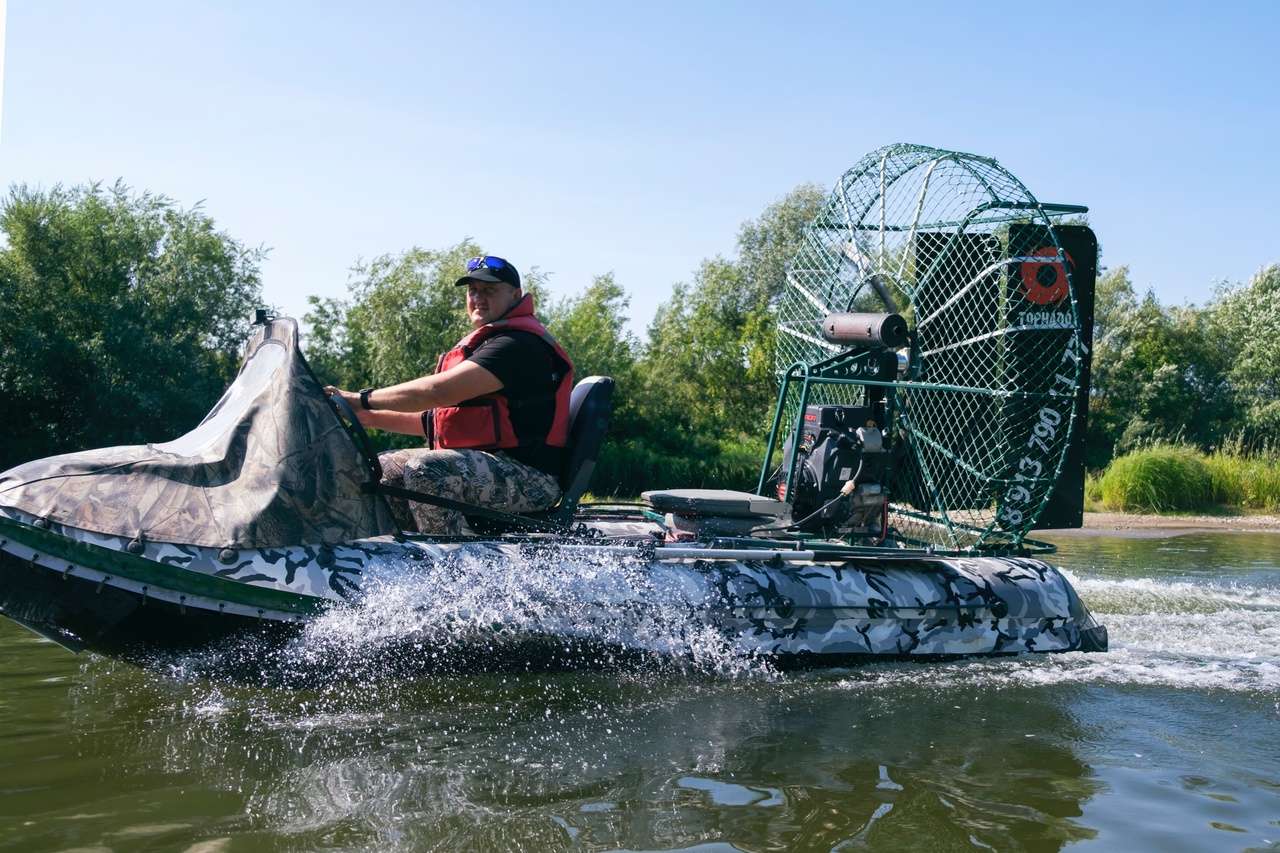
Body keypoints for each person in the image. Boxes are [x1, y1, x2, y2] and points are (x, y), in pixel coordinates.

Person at [325, 255, 574, 535]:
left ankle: (449, 568)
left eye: (489, 289)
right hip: (491, 465)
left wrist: (360, 398)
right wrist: (363, 416)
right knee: (386, 468)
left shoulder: (517, 345)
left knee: (427, 469)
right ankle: (410, 554)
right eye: (473, 290)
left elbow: (438, 392)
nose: (478, 297)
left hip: (533, 481)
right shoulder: (493, 342)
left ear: (515, 295)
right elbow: (434, 421)